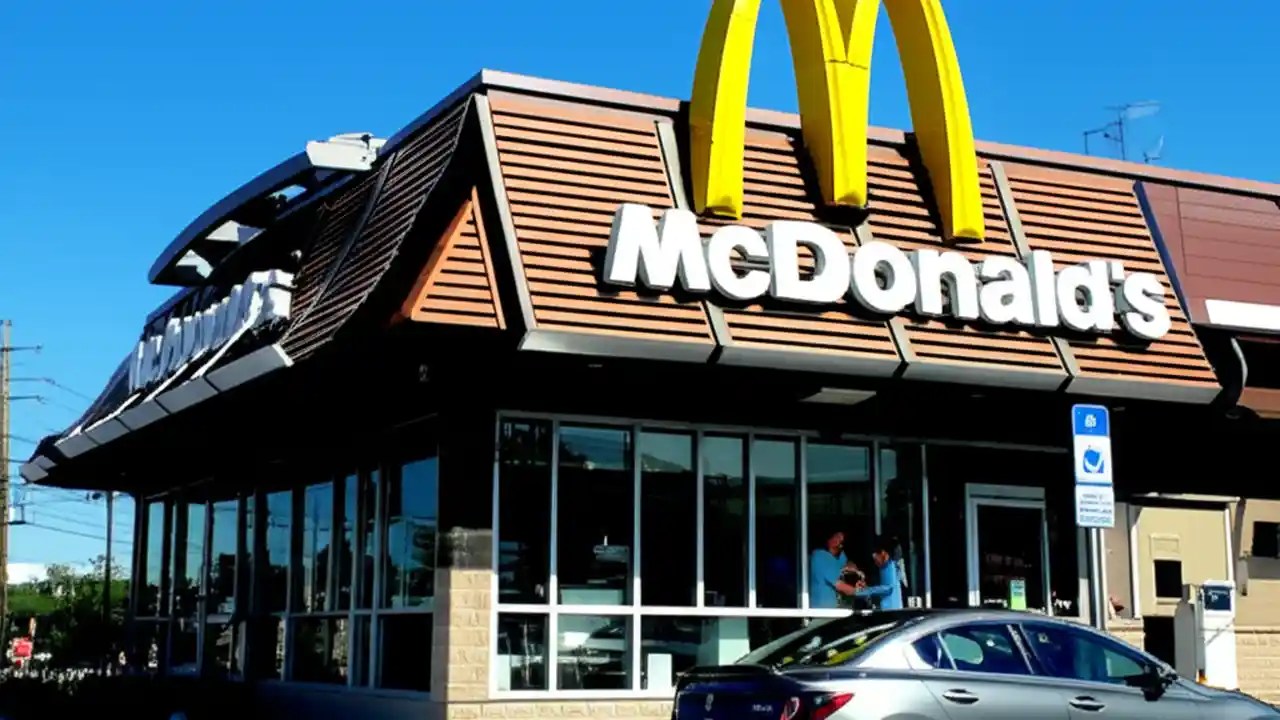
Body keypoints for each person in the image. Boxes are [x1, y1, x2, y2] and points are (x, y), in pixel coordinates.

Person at [809, 529, 860, 609]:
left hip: (837, 610)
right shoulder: (820, 555)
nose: (837, 541)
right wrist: (863, 592)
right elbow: (840, 586)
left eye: (841, 540)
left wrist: (852, 568)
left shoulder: (839, 556)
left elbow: (849, 567)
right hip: (823, 611)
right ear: (829, 537)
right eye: (836, 537)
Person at [855, 536, 904, 610]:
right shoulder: (883, 568)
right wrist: (866, 588)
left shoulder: (891, 566)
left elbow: (887, 589)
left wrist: (860, 592)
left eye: (875, 559)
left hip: (892, 612)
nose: (875, 563)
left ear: (883, 553)